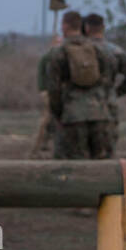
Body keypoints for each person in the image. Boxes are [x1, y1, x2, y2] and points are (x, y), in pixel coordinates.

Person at [44, 9, 111, 159]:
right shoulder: (97, 49)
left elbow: (53, 88)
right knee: (100, 164)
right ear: (82, 26)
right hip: (98, 114)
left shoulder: (58, 52)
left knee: (72, 166)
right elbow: (106, 79)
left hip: (72, 115)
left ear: (64, 26)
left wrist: (58, 113)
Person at [83, 12, 126, 157]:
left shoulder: (79, 50)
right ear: (103, 28)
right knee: (105, 153)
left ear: (86, 28)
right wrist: (116, 92)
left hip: (80, 108)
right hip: (107, 106)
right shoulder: (115, 51)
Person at [30, 32, 63, 157]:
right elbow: (41, 76)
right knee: (46, 120)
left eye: (61, 41)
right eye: (57, 41)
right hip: (48, 93)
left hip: (59, 93)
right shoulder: (46, 58)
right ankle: (37, 147)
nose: (59, 44)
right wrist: (43, 91)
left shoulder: (62, 57)